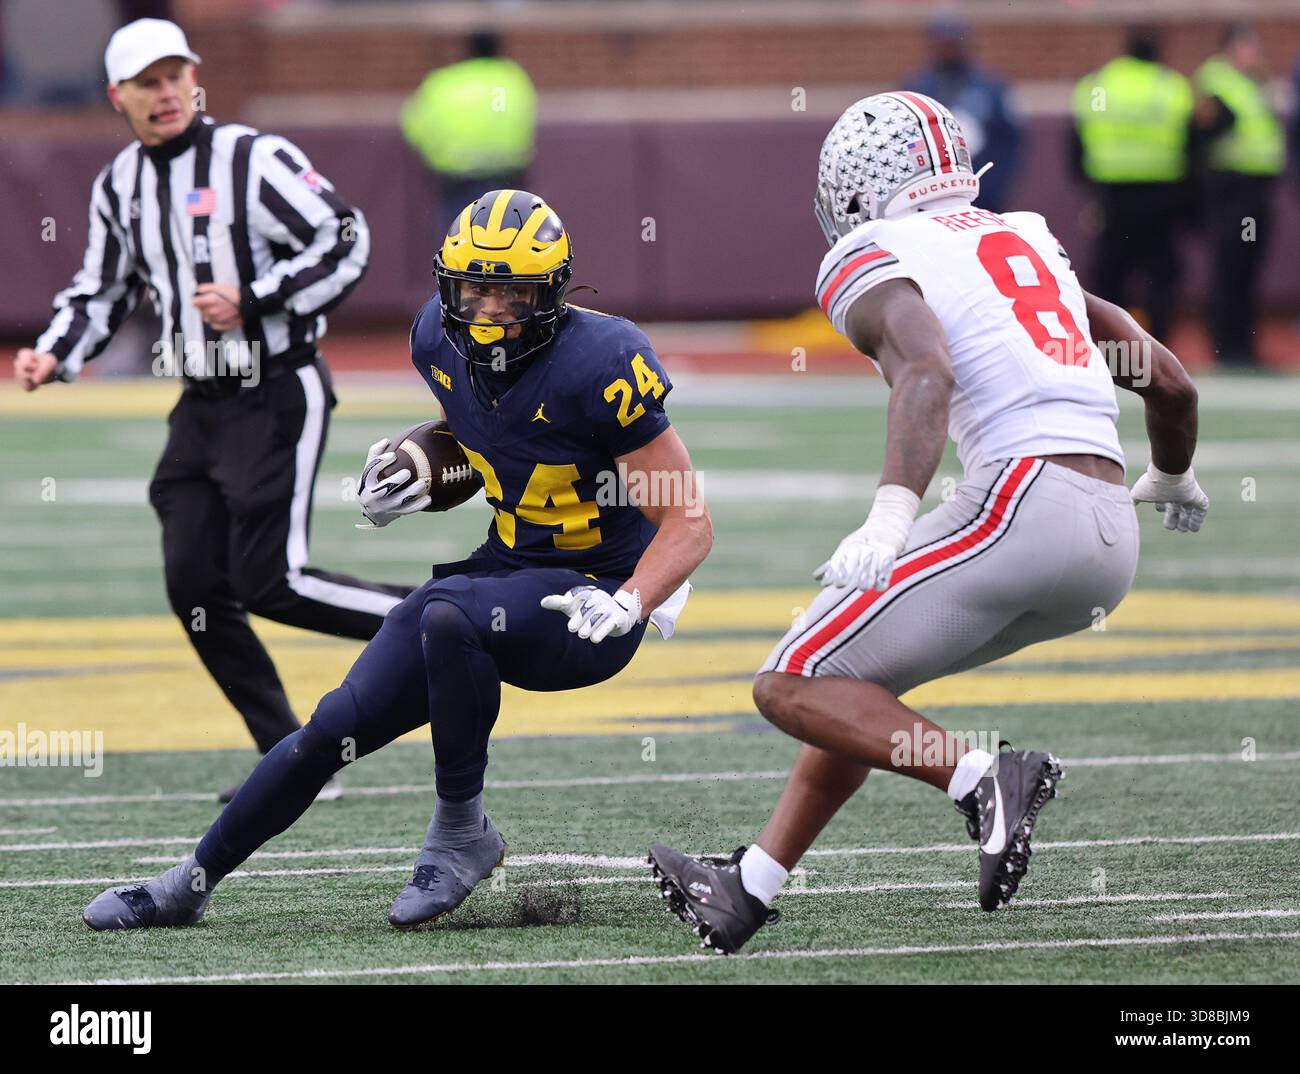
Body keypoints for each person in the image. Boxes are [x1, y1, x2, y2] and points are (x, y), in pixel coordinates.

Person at [648, 92, 1208, 955]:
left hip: (1019, 504)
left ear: (859, 188)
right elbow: (1167, 379)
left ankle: (986, 778)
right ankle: (749, 887)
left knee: (788, 681)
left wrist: (888, 513)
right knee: (854, 684)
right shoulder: (1028, 237)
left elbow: (928, 374)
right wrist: (1170, 472)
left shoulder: (874, 251)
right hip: (1107, 544)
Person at [80, 189, 711, 932]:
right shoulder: (435, 342)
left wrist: (631, 600)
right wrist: (420, 470)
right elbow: (480, 441)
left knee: (447, 616)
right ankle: (188, 882)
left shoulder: (603, 360)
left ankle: (460, 834)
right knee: (332, 724)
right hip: (505, 570)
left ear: (552, 292)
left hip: (590, 597)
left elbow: (689, 519)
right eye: (474, 288)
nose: (488, 310)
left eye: (510, 291)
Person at [12, 18, 410, 800]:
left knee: (272, 581)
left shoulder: (251, 158)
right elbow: (103, 288)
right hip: (199, 401)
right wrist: (57, 351)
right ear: (116, 97)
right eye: (146, 83)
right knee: (194, 587)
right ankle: (290, 758)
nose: (164, 94)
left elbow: (344, 238)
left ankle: (443, 617)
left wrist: (256, 297)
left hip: (274, 390)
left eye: (174, 77)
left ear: (195, 79)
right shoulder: (120, 183)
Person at [1070, 26, 1196, 342]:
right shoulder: (1172, 87)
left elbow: (1075, 145)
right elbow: (1191, 147)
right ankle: (1160, 349)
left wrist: (1090, 187)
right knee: (1161, 277)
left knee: (1110, 276)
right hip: (1161, 196)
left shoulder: (1098, 84)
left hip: (1113, 195)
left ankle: (1113, 351)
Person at [1194, 23, 1286, 367]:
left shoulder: (1253, 83)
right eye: (1246, 47)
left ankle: (1244, 347)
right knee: (1230, 266)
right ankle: (1226, 347)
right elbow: (1209, 128)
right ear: (1230, 48)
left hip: (1257, 188)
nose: (1253, 54)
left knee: (1248, 267)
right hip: (1233, 187)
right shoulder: (1217, 80)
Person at [401, 30, 537, 233]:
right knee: (509, 236)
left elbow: (414, 125)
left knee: (457, 235)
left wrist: (436, 154)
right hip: (506, 175)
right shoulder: (513, 78)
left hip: (457, 177)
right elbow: (526, 120)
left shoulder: (445, 82)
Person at [903, 13, 1022, 213]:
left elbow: (1010, 140)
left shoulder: (991, 88)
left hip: (984, 194)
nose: (948, 50)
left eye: (953, 42)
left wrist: (994, 185)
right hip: (931, 198)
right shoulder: (916, 88)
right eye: (942, 43)